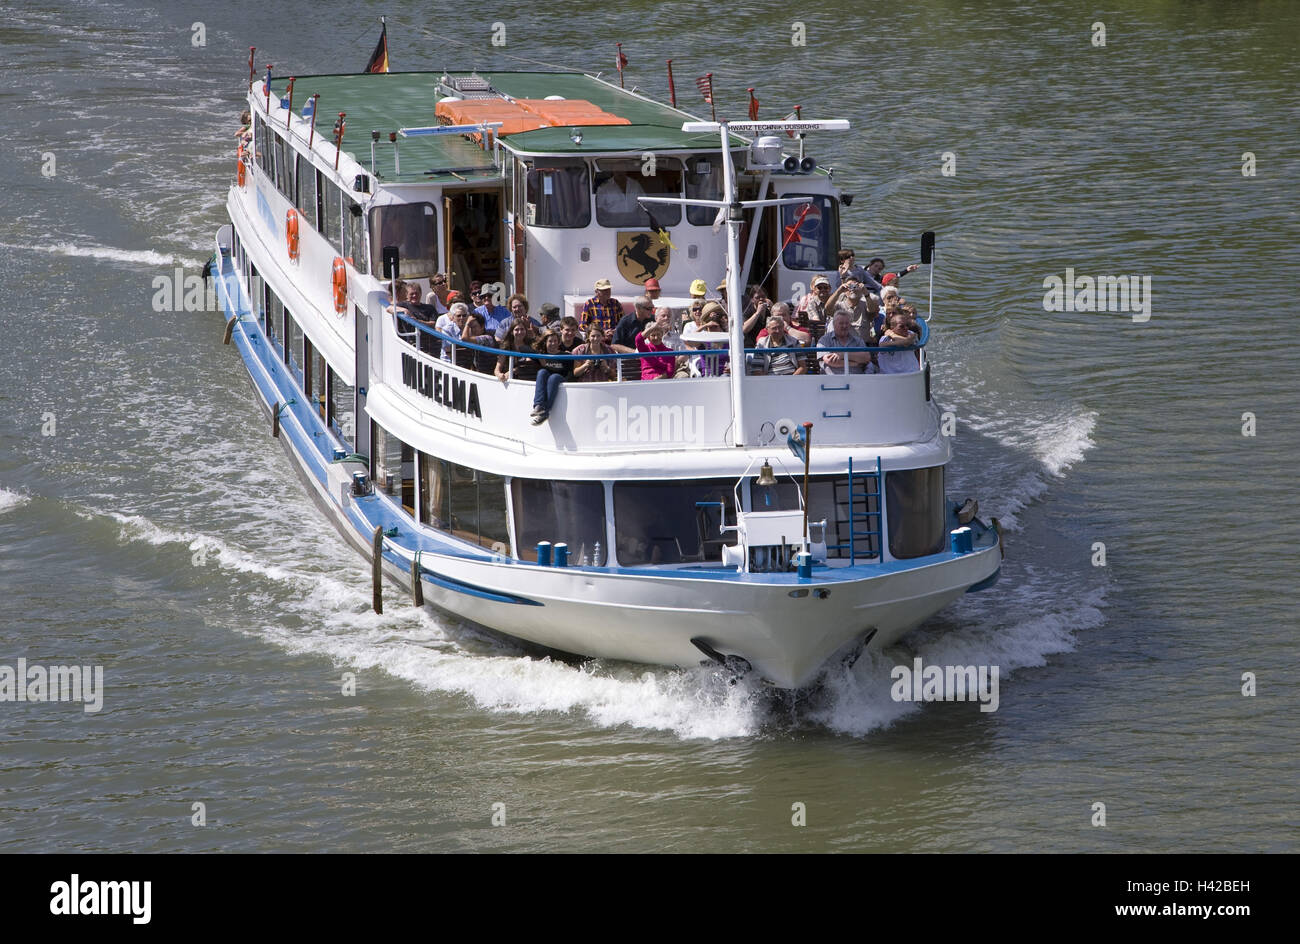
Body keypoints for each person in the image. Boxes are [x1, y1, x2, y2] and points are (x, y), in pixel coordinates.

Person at [530, 327, 573, 425]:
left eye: (555, 341)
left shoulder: (565, 355)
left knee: (554, 377)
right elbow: (523, 348)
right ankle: (538, 405)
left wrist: (548, 367)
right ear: (545, 342)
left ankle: (545, 411)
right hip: (548, 380)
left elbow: (570, 372)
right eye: (550, 341)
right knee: (542, 372)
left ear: (559, 342)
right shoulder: (542, 356)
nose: (553, 343)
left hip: (560, 379)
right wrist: (540, 357)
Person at [817, 310, 871, 374]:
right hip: (832, 380)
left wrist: (842, 355)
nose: (844, 326)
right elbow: (829, 360)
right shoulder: (825, 340)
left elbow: (866, 358)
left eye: (847, 323)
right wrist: (855, 363)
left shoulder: (857, 340)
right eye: (841, 323)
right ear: (834, 324)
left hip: (856, 380)